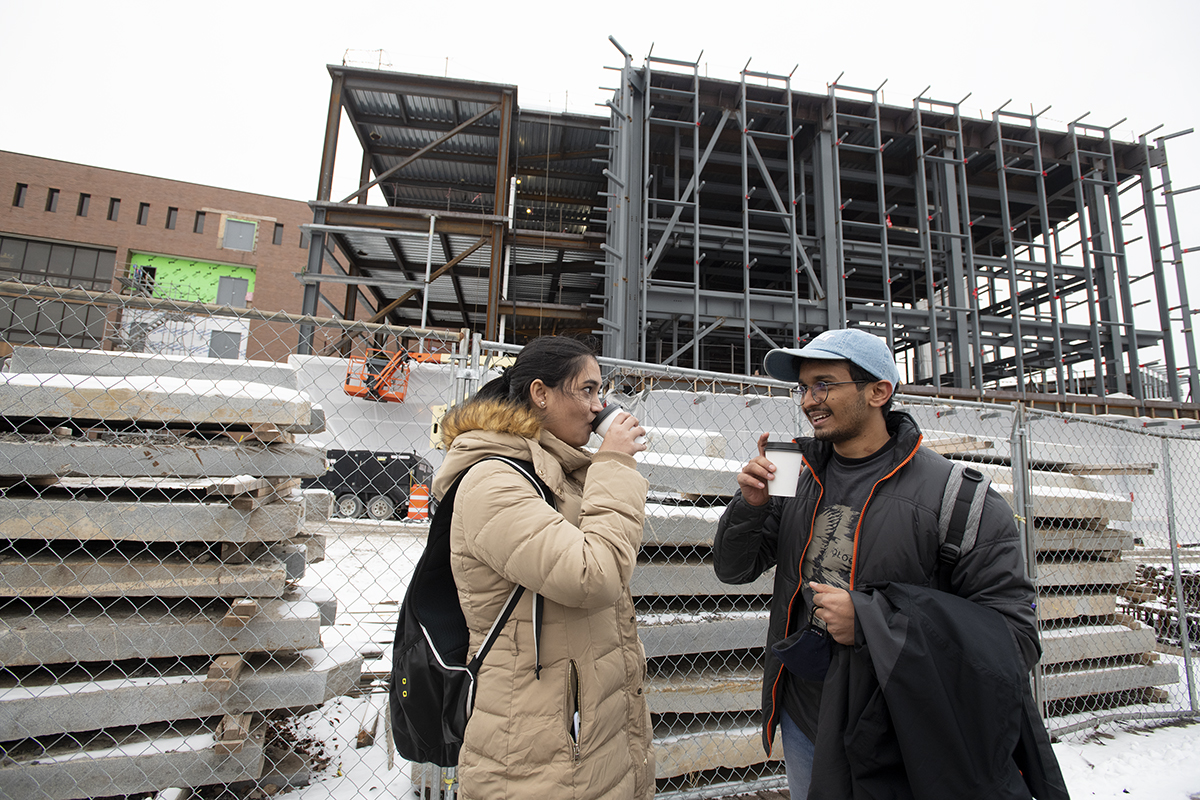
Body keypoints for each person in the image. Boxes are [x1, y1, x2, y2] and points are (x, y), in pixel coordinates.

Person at [713, 328, 1067, 799]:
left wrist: (872, 620)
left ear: (879, 391)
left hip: (899, 736)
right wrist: (751, 506)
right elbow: (733, 570)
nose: (808, 401)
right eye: (803, 387)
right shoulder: (796, 472)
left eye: (824, 384)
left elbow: (1013, 641)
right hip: (805, 719)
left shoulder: (959, 498)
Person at [433, 335, 654, 799]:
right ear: (540, 394)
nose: (600, 407)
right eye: (588, 390)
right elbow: (593, 575)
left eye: (602, 392)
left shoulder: (562, 471)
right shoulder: (492, 479)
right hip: (536, 749)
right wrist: (613, 464)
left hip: (582, 732)